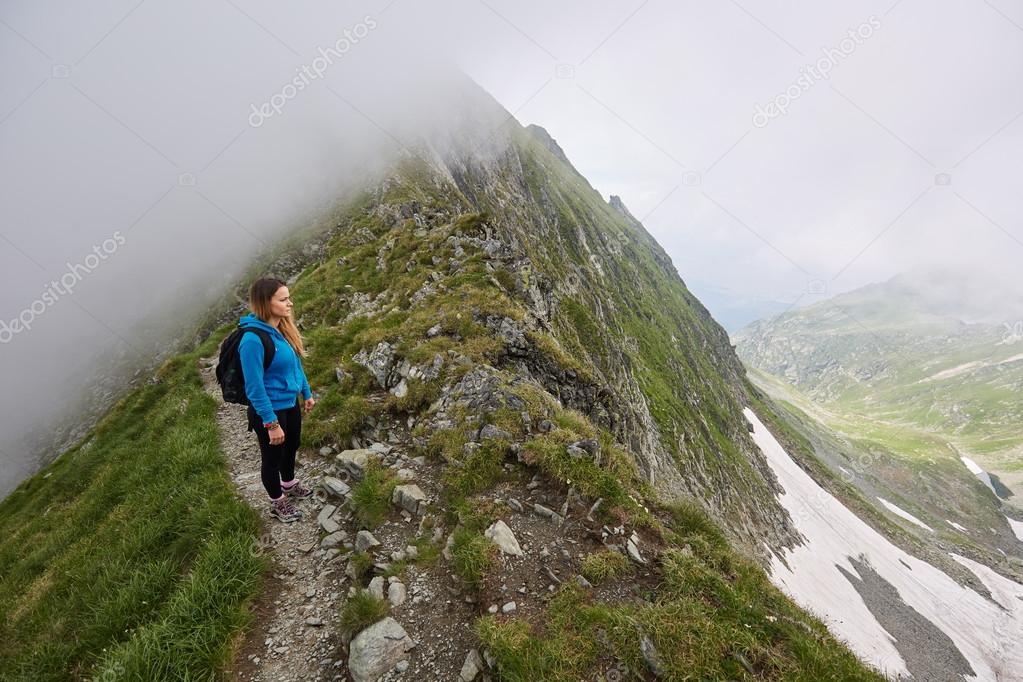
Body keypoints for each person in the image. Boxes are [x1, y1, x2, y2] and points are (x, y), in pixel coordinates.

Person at [239, 277, 316, 522]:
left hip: (290, 403)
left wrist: (306, 392)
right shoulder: (252, 340)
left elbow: (295, 364)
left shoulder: (281, 329)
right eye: (283, 299)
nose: (290, 303)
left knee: (291, 445)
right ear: (265, 303)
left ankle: (289, 483)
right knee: (272, 458)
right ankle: (277, 501)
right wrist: (271, 423)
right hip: (269, 409)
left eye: (289, 297)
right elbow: (254, 387)